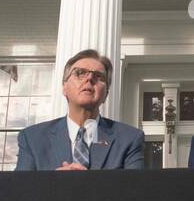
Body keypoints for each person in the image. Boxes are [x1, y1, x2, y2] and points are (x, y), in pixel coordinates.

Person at [15, 49, 145, 170]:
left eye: (99, 76)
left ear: (106, 94)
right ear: (64, 87)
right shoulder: (32, 139)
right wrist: (53, 183)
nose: (89, 78)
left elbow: (134, 191)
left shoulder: (129, 139)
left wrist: (84, 184)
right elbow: (19, 191)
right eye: (80, 73)